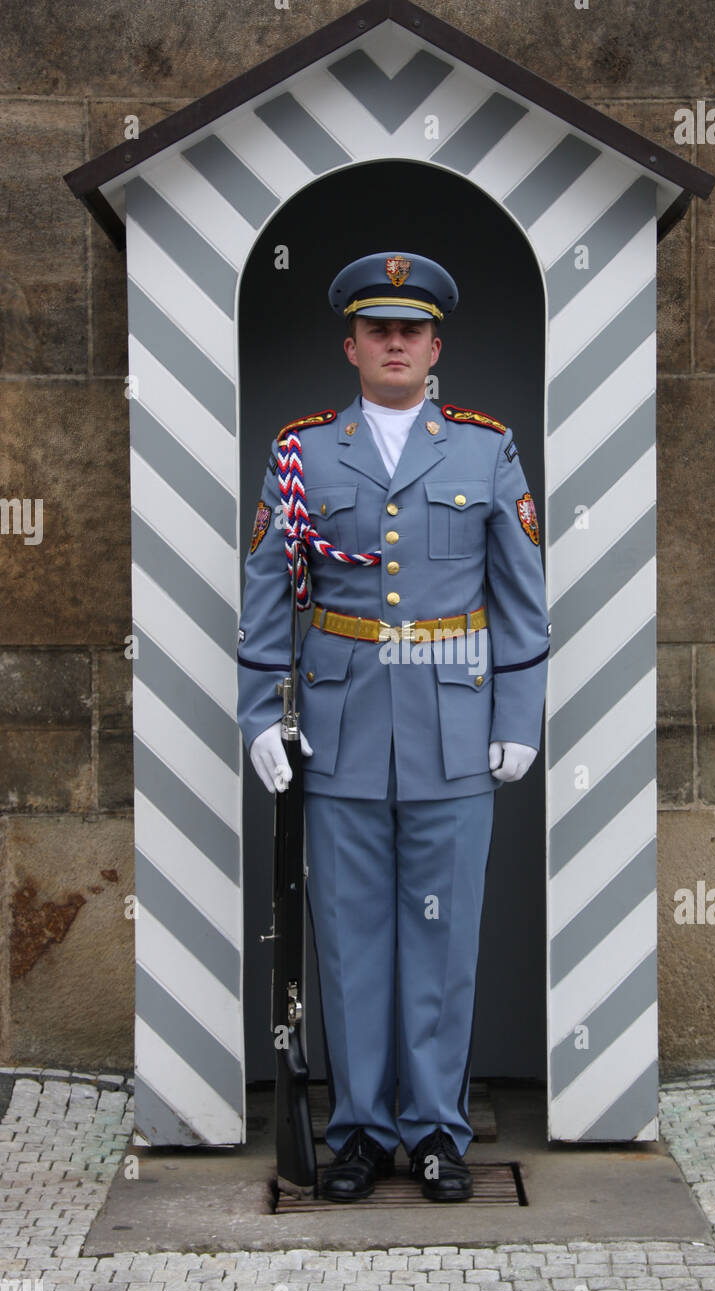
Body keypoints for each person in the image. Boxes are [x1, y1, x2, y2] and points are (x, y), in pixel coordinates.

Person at [237, 251, 550, 1202]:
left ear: (434, 344)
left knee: (444, 939)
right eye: (380, 328)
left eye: (411, 329)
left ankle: (437, 1134)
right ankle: (363, 1130)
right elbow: (266, 597)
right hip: (336, 731)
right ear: (353, 345)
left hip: (455, 728)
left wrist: (518, 714)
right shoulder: (301, 453)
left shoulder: (484, 448)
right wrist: (260, 713)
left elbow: (521, 603)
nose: (397, 342)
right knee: (352, 936)